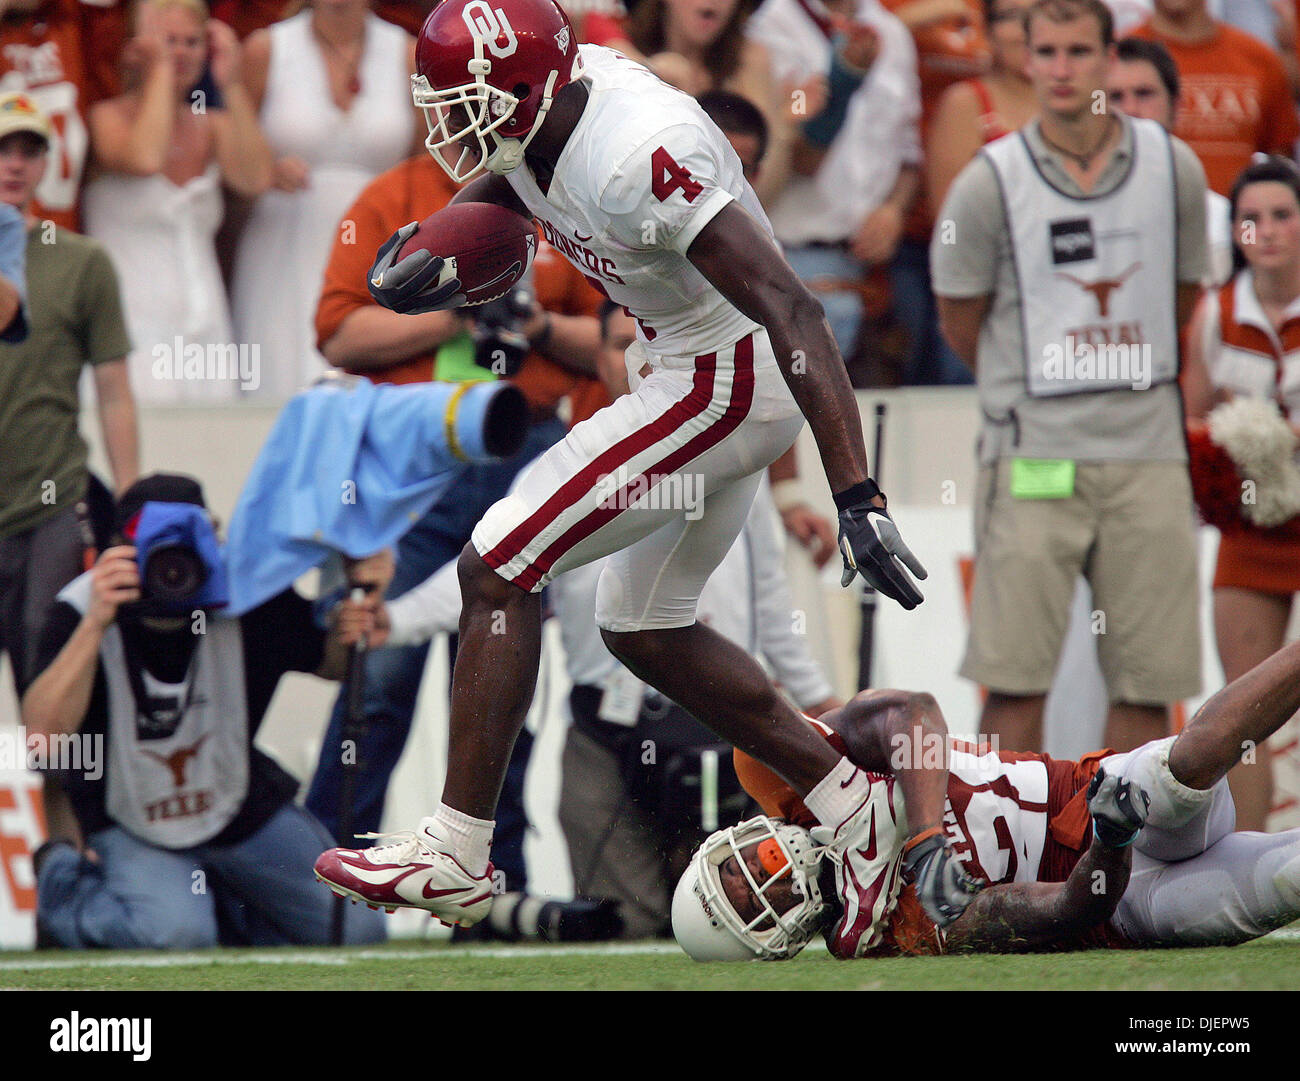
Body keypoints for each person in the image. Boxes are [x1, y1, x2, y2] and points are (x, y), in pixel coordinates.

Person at [313, 0, 963, 936]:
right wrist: (441, 240)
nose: (455, 126)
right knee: (640, 624)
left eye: (472, 103)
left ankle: (457, 851)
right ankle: (853, 807)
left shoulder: (636, 156)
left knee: (498, 560)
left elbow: (795, 307)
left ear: (531, 90)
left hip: (724, 376)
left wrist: (855, 490)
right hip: (682, 359)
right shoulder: (548, 106)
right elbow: (515, 171)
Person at [303, 144, 605, 897]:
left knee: (506, 680)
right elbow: (337, 333)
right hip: (417, 456)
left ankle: (497, 882)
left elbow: (607, 342)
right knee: (379, 680)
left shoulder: (559, 195)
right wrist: (449, 316)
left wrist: (531, 326)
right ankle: (316, 881)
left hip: (523, 447)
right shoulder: (391, 193)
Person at [932, 0, 1206, 755]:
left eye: (1078, 51)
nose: (1060, 70)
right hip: (1035, 455)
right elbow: (961, 319)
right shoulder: (992, 179)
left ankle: (1133, 864)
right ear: (1024, 57)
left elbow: (1183, 296)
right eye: (1044, 50)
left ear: (1111, 58)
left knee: (1147, 682)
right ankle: (997, 864)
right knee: (1014, 678)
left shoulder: (1171, 164)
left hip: (1147, 450)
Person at [675, 635, 1300, 959]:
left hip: (1078, 796)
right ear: (779, 940)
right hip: (1123, 904)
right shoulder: (878, 930)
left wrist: (924, 842)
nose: (771, 879)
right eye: (761, 905)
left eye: (749, 869)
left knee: (1176, 771)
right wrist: (1111, 844)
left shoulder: (786, 774)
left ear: (736, 838)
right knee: (1283, 882)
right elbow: (1061, 912)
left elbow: (912, 712)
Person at [21, 474, 388, 949]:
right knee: (177, 936)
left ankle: (226, 912)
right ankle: (65, 891)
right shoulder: (83, 604)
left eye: (188, 546)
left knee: (358, 929)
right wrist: (96, 622)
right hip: (130, 819)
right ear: (120, 551)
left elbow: (335, 666)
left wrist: (352, 624)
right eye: (157, 550)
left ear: (213, 540)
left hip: (236, 803)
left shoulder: (246, 592)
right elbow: (43, 738)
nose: (173, 569)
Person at [0, 89, 138, 711]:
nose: (15, 162)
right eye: (2, 147)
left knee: (51, 692)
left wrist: (133, 506)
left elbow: (114, 392)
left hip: (50, 502)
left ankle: (61, 810)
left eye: (29, 148)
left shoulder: (81, 262)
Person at [1181, 157, 1300, 832]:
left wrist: (1281, 433)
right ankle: (1251, 864)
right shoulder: (1216, 312)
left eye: (1283, 214)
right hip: (1254, 528)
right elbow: (1191, 420)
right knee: (1243, 708)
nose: (1268, 231)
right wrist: (1226, 451)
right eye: (1250, 219)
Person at [83, 0, 273, 405]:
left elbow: (255, 178)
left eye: (193, 41)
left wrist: (231, 83)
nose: (183, 52)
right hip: (128, 321)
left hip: (205, 321)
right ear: (135, 45)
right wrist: (161, 73)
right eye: (168, 40)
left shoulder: (208, 121)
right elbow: (146, 157)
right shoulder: (106, 118)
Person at [230, 0, 418, 399]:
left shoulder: (407, 52)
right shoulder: (265, 49)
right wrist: (267, 169)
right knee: (277, 380)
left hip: (377, 246)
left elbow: (427, 165)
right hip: (282, 250)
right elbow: (233, 160)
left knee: (367, 389)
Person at [744, 0, 923, 371]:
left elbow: (909, 151)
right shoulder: (767, 29)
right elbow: (790, 163)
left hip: (875, 269)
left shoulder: (892, 32)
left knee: (876, 420)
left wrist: (893, 209)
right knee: (794, 418)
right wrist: (841, 85)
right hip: (792, 260)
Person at [1128, 0, 1299, 198]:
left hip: (1241, 225)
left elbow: (1280, 165)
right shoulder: (1118, 61)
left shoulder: (1260, 60)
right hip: (1156, 219)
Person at [1106, 35, 1231, 288]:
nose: (1130, 109)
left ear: (1176, 105)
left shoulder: (1221, 219)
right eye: (1116, 97)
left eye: (1144, 94)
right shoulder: (1076, 209)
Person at [925, 0, 1039, 219]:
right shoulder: (964, 103)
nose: (1028, 27)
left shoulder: (1090, 99)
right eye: (1011, 15)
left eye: (1041, 11)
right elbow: (950, 222)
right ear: (988, 31)